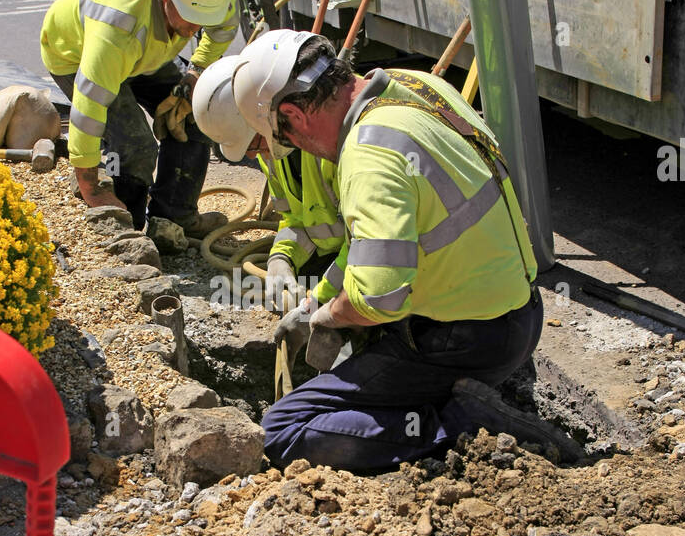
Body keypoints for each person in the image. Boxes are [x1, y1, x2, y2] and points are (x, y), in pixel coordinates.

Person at [220, 29, 550, 473]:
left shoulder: (369, 151)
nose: (295, 150)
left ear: (295, 115)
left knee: (283, 430)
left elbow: (379, 299)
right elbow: (372, 251)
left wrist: (328, 317)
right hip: (516, 313)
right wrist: (316, 301)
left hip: (468, 339)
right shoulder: (413, 85)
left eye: (284, 138)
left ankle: (463, 424)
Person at [40, 0, 239, 235]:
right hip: (75, 54)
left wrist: (195, 72)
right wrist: (90, 186)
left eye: (202, 21)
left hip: (145, 52)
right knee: (135, 145)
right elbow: (89, 107)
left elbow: (225, 26)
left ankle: (173, 219)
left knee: (197, 110)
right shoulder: (117, 29)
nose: (193, 29)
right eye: (188, 20)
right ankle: (128, 229)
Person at [193, 56, 346, 312]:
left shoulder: (331, 149)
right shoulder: (273, 153)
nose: (252, 156)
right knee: (297, 300)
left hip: (379, 260)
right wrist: (281, 256)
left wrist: (324, 300)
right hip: (338, 251)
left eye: (251, 143)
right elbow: (295, 220)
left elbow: (370, 246)